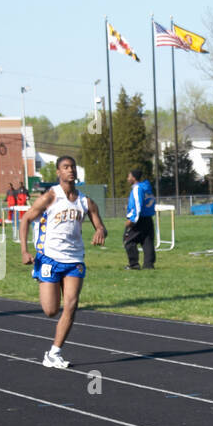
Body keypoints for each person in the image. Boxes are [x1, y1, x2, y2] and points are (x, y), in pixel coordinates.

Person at [20, 155, 107, 369]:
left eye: (73, 167)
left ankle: (54, 352)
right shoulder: (51, 196)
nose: (71, 171)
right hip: (49, 257)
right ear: (58, 172)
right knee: (51, 310)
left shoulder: (85, 201)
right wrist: (24, 250)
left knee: (71, 304)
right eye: (66, 167)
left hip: (74, 259)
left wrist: (100, 231)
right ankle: (46, 283)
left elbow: (100, 225)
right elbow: (25, 219)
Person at [123, 168, 156, 270]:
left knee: (128, 241)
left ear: (133, 177)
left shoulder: (137, 188)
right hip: (148, 218)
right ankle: (148, 265)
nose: (127, 178)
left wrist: (132, 220)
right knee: (147, 241)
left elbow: (138, 205)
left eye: (129, 176)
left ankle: (134, 264)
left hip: (138, 220)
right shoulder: (146, 187)